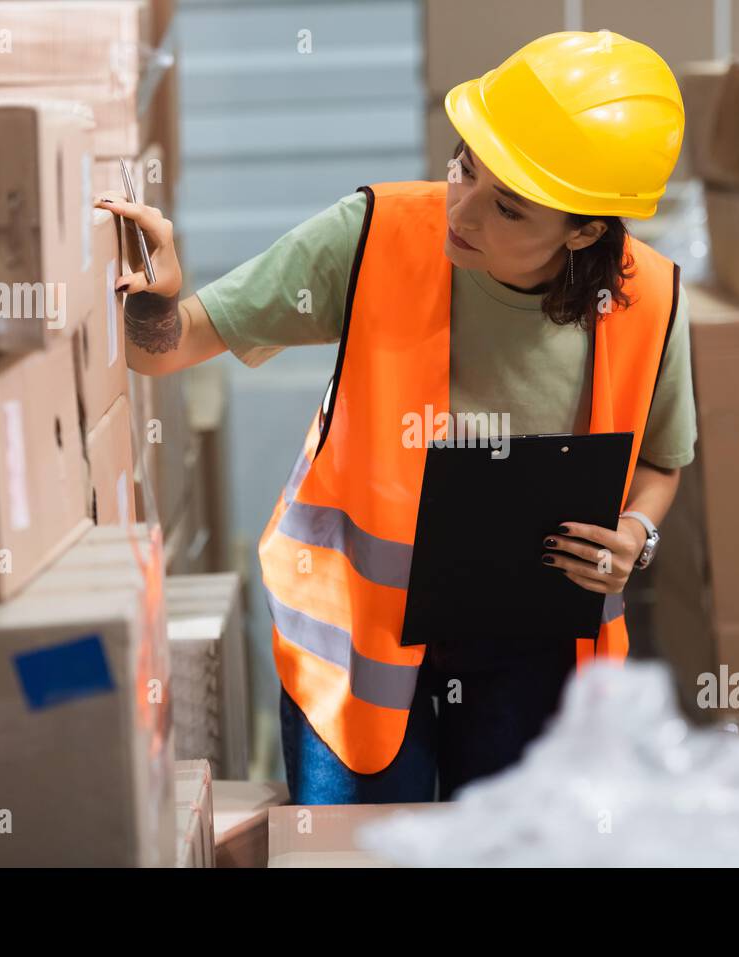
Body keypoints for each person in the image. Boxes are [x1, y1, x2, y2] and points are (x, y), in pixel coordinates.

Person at [95, 30, 696, 804]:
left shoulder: (650, 299)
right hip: (357, 642)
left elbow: (660, 462)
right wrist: (153, 304)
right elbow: (166, 348)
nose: (463, 208)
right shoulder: (373, 235)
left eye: (507, 207)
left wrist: (636, 537)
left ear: (584, 231)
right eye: (464, 165)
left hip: (534, 648)